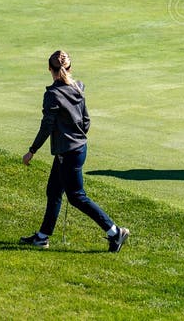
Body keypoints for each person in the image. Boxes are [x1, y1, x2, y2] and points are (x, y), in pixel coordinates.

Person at [20, 50, 129, 252]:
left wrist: (32, 151)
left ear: (49, 69)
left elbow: (47, 127)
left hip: (68, 153)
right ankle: (42, 237)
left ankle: (115, 232)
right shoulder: (77, 87)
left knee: (77, 196)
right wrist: (77, 135)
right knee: (54, 191)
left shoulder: (52, 95)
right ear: (69, 68)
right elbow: (86, 120)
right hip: (77, 148)